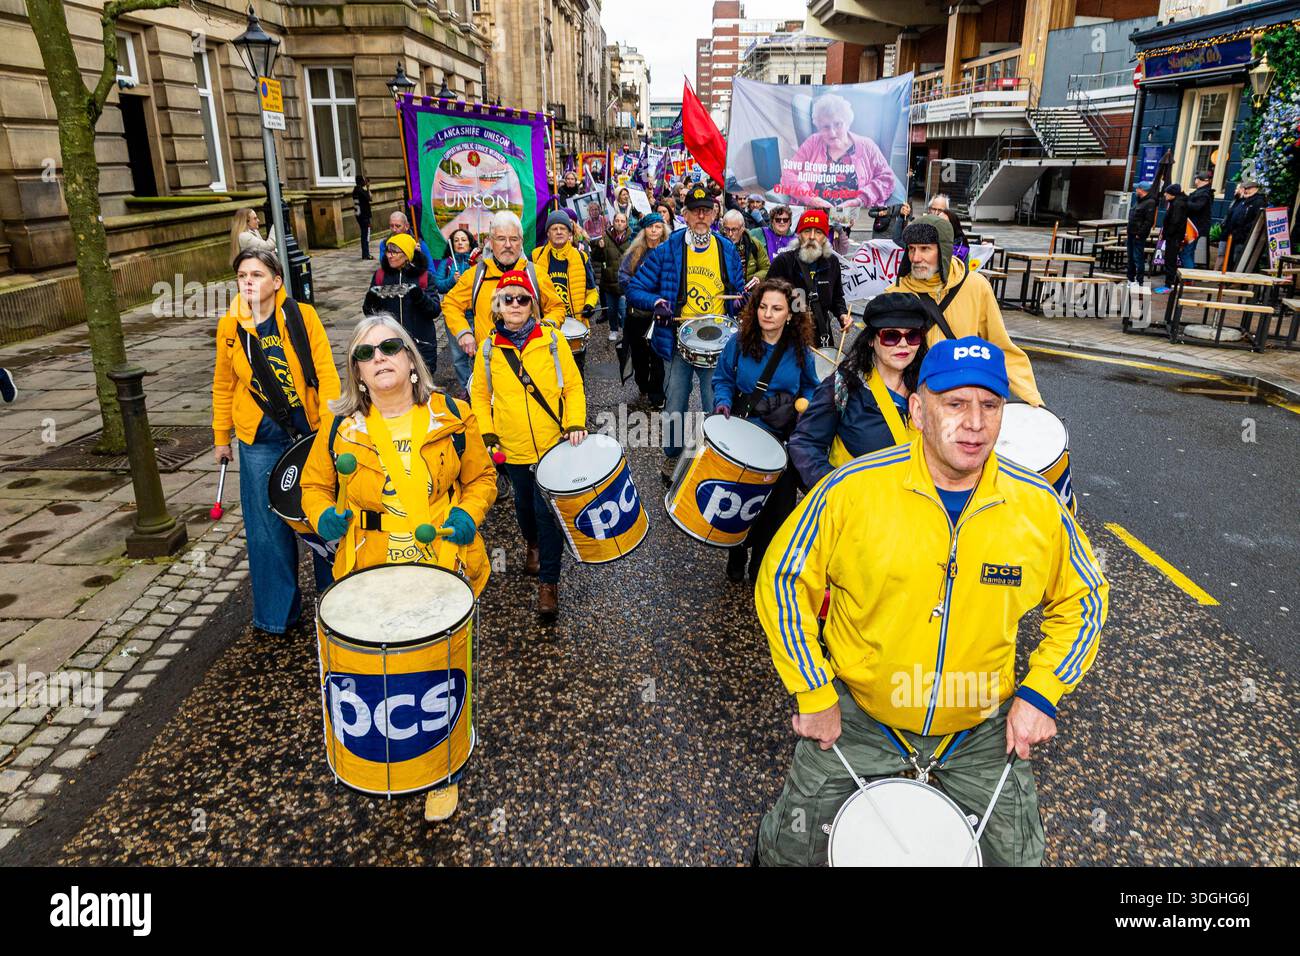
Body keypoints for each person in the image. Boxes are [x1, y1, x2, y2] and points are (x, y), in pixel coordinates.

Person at [753, 336, 1109, 867]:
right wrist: (812, 689)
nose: (974, 423)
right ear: (918, 410)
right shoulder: (852, 490)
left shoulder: (1037, 506)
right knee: (790, 846)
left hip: (981, 725)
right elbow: (783, 581)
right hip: (861, 712)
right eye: (955, 403)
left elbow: (1086, 597)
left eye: (990, 405)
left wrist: (1041, 693)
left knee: (1018, 855)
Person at [300, 315, 497, 824]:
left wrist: (467, 515)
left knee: (443, 669)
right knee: (386, 668)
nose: (379, 358)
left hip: (442, 564)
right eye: (365, 354)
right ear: (357, 374)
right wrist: (324, 516)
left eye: (389, 347)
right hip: (370, 566)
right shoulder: (340, 427)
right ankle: (387, 755)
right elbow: (314, 487)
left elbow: (482, 478)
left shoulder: (453, 415)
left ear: (411, 359)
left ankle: (444, 768)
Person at [212, 248, 340, 635]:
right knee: (267, 532)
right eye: (241, 276)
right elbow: (223, 384)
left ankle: (336, 604)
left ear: (277, 282)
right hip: (259, 443)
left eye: (257, 274)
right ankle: (276, 616)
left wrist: (331, 430)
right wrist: (221, 437)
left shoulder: (302, 317)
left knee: (323, 523)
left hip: (309, 436)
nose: (248, 281)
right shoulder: (230, 327)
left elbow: (327, 373)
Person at [469, 270, 587, 623]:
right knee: (524, 507)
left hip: (553, 445)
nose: (516, 305)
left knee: (547, 512)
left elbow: (573, 387)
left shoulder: (552, 341)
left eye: (522, 299)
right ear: (498, 307)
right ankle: (531, 544)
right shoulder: (488, 349)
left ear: (532, 305)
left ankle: (548, 584)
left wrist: (575, 422)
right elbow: (479, 395)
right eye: (509, 299)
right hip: (513, 447)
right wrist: (487, 435)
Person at [626, 182, 745, 481]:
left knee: (714, 399)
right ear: (686, 215)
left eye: (706, 210)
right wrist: (656, 302)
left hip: (717, 341)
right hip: (678, 337)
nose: (701, 216)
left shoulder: (727, 249)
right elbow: (634, 288)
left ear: (715, 213)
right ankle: (672, 452)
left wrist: (741, 299)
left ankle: (715, 453)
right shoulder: (668, 250)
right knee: (676, 399)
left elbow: (738, 291)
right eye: (695, 211)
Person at [711, 279, 818, 583]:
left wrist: (805, 403)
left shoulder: (800, 350)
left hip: (780, 437)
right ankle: (736, 550)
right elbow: (722, 378)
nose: (768, 314)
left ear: (790, 314)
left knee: (774, 508)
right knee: (739, 501)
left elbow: (810, 384)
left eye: (777, 308)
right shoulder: (739, 341)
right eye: (763, 307)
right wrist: (722, 402)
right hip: (744, 431)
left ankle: (761, 562)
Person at [888, 215, 1045, 407]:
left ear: (944, 250)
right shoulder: (895, 294)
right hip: (911, 401)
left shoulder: (976, 287)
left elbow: (1001, 347)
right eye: (911, 249)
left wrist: (1032, 397)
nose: (916, 257)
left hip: (961, 401)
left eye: (925, 249)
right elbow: (881, 354)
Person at [788, 291, 932, 490]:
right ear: (871, 340)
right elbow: (804, 443)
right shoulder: (843, 384)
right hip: (859, 512)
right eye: (891, 336)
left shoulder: (931, 389)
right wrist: (837, 490)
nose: (903, 344)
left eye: (913, 335)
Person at [443, 210, 566, 368]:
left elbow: (556, 307)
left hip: (532, 363)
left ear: (521, 242)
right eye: (501, 239)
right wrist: (464, 332)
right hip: (489, 364)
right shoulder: (475, 276)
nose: (508, 245)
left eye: (513, 239)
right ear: (491, 242)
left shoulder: (536, 274)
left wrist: (547, 327)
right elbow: (451, 303)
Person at [778, 92, 896, 213]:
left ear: (847, 123)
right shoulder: (813, 142)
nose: (832, 133)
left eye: (838, 124)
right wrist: (812, 199)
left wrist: (860, 200)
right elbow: (788, 173)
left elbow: (887, 178)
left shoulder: (867, 146)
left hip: (855, 216)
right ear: (819, 127)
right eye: (826, 127)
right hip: (814, 215)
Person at [767, 210, 851, 349]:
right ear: (799, 236)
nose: (812, 237)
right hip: (788, 336)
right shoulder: (783, 262)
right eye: (807, 231)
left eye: (818, 232)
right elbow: (766, 299)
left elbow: (837, 297)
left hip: (821, 335)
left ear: (824, 237)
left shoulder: (832, 262)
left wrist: (842, 315)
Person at [362, 232, 442, 375]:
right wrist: (371, 298)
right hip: (389, 345)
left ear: (407, 254)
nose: (389, 255)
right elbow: (370, 314)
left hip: (421, 344)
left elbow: (434, 310)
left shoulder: (424, 276)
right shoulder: (380, 276)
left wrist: (419, 296)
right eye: (388, 250)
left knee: (422, 386)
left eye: (394, 251)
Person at [532, 210, 599, 373]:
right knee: (548, 374)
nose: (559, 232)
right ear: (548, 233)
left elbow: (592, 291)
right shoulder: (535, 257)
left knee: (575, 374)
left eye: (563, 228)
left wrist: (589, 305)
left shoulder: (581, 257)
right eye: (554, 229)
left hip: (574, 328)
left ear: (570, 233)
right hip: (546, 326)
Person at [618, 212, 669, 408]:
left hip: (660, 314)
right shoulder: (635, 252)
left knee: (658, 355)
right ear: (644, 230)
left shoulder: (668, 251)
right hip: (638, 313)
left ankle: (657, 393)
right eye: (650, 226)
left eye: (658, 226)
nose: (654, 230)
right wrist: (642, 293)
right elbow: (623, 277)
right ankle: (642, 383)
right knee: (639, 354)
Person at [592, 211, 632, 343]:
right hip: (608, 282)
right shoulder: (605, 237)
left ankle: (627, 332)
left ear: (626, 224)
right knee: (611, 310)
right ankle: (613, 330)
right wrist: (599, 247)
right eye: (617, 221)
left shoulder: (631, 239)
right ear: (613, 222)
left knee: (624, 310)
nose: (619, 223)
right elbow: (597, 258)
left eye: (622, 221)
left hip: (623, 283)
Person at [1221, 177, 1268, 271]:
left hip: (1244, 238)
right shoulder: (1243, 200)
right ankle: (1230, 281)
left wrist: (1241, 231)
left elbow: (1256, 221)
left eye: (1249, 188)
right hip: (1234, 237)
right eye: (1245, 188)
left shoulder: (1258, 202)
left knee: (1238, 261)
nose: (1246, 190)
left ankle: (1237, 282)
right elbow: (1232, 213)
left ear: (1256, 188)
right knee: (1231, 261)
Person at [721, 209, 769, 289]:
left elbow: (766, 268)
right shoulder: (717, 243)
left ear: (742, 228)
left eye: (734, 229)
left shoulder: (754, 244)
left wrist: (757, 277)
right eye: (727, 229)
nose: (730, 234)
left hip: (747, 292)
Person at [1154, 184, 1188, 294]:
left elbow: (1175, 221)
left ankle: (1169, 285)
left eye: (1167, 193)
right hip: (1173, 237)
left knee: (1170, 260)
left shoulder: (1178, 204)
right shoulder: (1175, 202)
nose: (1164, 194)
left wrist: (1167, 234)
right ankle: (1168, 283)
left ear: (1172, 194)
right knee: (1169, 260)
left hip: (1174, 238)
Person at [1126, 181, 1157, 289]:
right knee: (1130, 257)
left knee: (1138, 258)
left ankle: (1139, 281)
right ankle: (1130, 279)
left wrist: (1140, 234)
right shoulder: (1139, 201)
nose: (1135, 190)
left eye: (1137, 188)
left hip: (1138, 235)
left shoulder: (1150, 202)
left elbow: (1149, 221)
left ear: (1142, 190)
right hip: (1131, 233)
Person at [1184, 171, 1214, 270]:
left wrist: (1185, 201)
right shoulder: (1202, 192)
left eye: (1196, 178)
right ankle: (1189, 277)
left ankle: (1188, 277)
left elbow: (1197, 207)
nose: (1195, 180)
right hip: (1194, 226)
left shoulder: (1204, 194)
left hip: (1195, 228)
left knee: (1187, 252)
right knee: (1188, 251)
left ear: (1200, 180)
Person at [352, 175, 373, 260]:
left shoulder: (355, 190)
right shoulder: (361, 191)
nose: (365, 182)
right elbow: (370, 198)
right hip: (364, 216)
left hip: (359, 216)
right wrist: (368, 188)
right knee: (366, 235)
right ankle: (366, 254)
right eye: (364, 180)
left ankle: (365, 253)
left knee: (363, 235)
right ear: (361, 182)